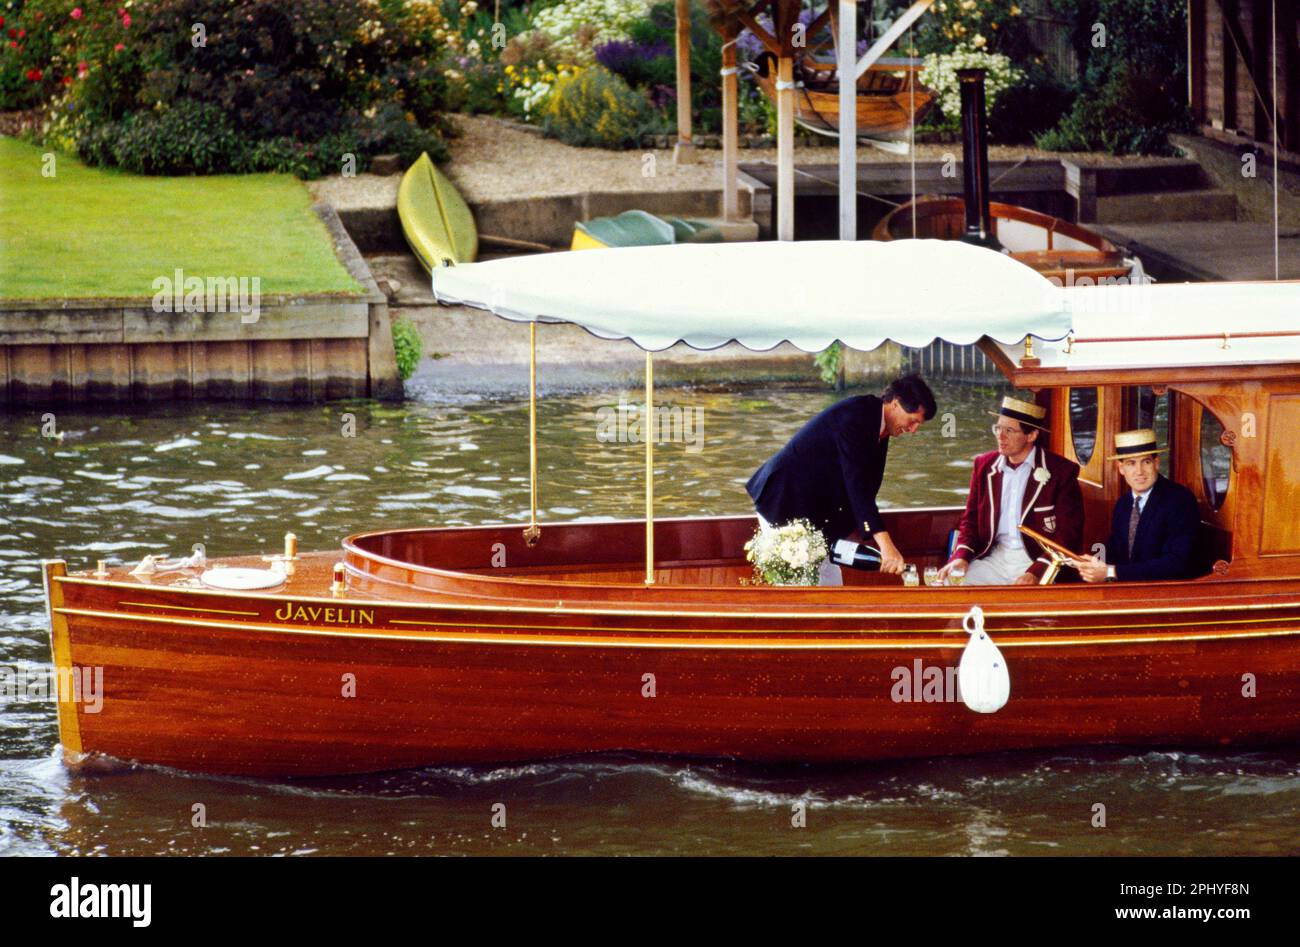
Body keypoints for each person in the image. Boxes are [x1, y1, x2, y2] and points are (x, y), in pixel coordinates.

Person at [746, 373, 937, 584]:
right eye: (912, 421)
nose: (913, 430)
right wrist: (885, 545)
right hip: (783, 502)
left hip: (814, 515)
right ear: (895, 404)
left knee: (831, 584)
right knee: (800, 587)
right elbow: (857, 486)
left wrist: (858, 531)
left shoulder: (878, 427)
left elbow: (863, 488)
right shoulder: (857, 416)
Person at [937, 395, 1084, 586]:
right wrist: (961, 556)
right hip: (995, 558)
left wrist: (1037, 572)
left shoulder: (1061, 471)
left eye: (1009, 430)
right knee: (948, 583)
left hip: (1037, 560)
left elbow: (1068, 534)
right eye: (998, 428)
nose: (1000, 436)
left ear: (1031, 436)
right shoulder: (983, 465)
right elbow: (970, 520)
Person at [1072, 429, 1201, 582]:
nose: (1139, 471)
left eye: (1146, 462)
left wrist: (1111, 572)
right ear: (1121, 468)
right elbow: (1115, 551)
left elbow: (1176, 563)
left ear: (1156, 463)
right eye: (1131, 463)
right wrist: (1093, 563)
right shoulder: (1123, 504)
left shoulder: (1179, 500)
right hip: (1130, 591)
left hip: (1166, 595)